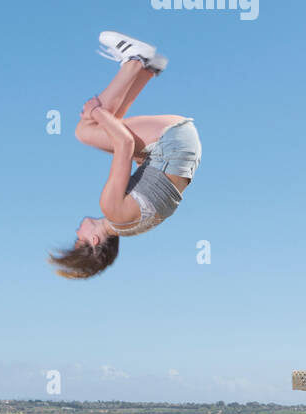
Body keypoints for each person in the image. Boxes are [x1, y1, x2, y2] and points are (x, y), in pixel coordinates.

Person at [49, 32, 201, 279]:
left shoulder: (131, 227)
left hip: (183, 151)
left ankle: (147, 69)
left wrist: (106, 120)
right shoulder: (111, 209)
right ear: (95, 240)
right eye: (79, 240)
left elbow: (136, 161)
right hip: (173, 141)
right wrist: (97, 111)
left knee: (106, 128)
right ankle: (136, 60)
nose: (77, 232)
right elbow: (125, 142)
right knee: (85, 129)